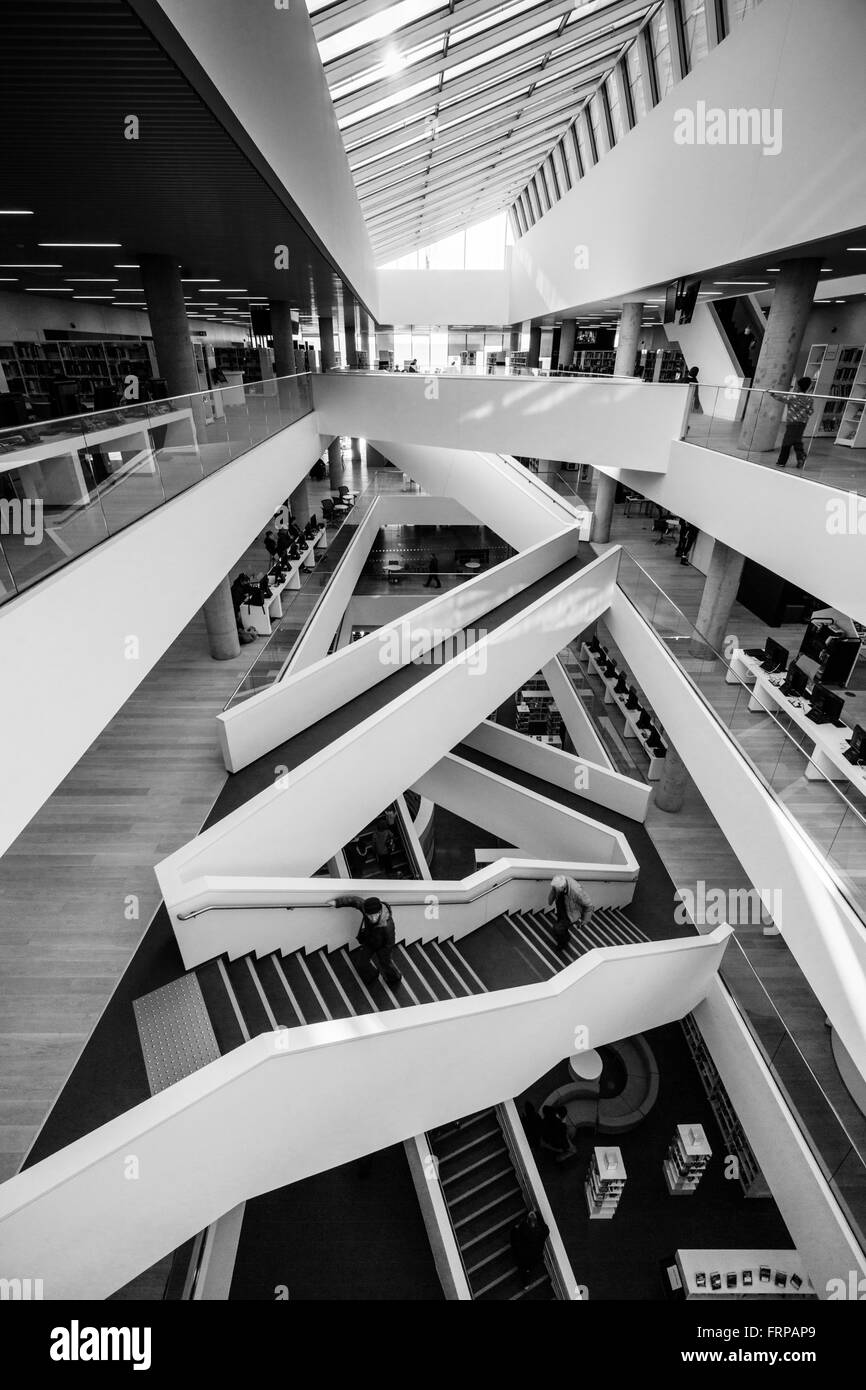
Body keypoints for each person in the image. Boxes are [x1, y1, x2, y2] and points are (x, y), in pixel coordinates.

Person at [329, 894, 402, 988]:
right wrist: (337, 903)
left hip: (383, 946)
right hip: (370, 941)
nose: (372, 918)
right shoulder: (366, 908)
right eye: (369, 916)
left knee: (385, 963)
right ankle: (372, 975)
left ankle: (395, 978)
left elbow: (390, 943)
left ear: (380, 912)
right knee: (362, 963)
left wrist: (384, 954)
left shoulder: (387, 926)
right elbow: (355, 901)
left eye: (375, 915)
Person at [770, 376, 814, 468]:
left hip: (792, 423)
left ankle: (781, 461)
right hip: (802, 423)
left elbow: (781, 398)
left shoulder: (793, 397)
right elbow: (811, 411)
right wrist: (804, 416)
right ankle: (801, 456)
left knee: (787, 442)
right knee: (796, 440)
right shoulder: (810, 399)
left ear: (798, 387)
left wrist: (772, 394)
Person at [548, 874, 594, 952]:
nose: (555, 889)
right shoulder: (559, 882)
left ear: (562, 887)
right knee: (561, 926)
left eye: (557, 889)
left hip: (571, 914)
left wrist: (585, 920)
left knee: (557, 929)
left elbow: (589, 905)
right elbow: (553, 891)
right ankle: (565, 934)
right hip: (562, 907)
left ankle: (563, 942)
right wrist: (550, 901)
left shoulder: (576, 891)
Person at [510, 1210, 550, 1287]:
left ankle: (525, 1281)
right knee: (526, 1268)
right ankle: (526, 1281)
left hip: (525, 1254)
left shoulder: (524, 1228)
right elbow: (546, 1231)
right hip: (531, 1255)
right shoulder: (539, 1232)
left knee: (525, 1268)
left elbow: (515, 1236)